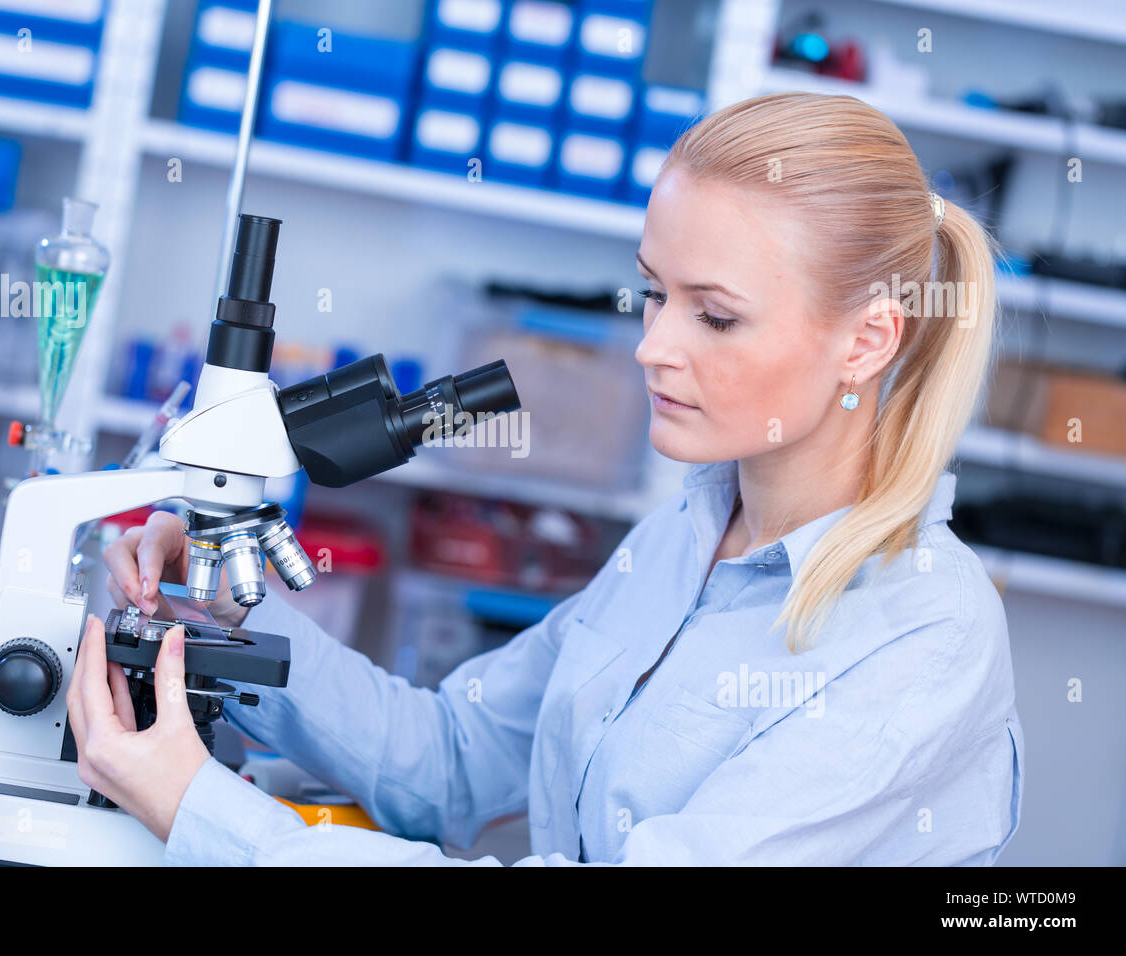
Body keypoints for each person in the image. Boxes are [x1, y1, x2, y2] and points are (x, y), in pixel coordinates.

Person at [67, 91, 1024, 865]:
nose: (653, 347)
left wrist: (201, 812)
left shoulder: (923, 639)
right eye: (654, 295)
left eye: (715, 317)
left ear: (868, 339)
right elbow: (448, 761)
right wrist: (227, 616)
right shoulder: (679, 544)